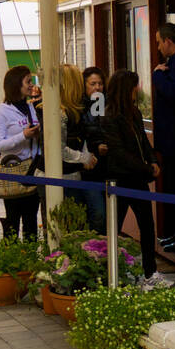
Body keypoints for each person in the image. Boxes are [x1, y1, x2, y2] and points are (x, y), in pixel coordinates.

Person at [103, 69, 165, 284]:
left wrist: (153, 160)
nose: (138, 89)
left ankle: (150, 272)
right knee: (113, 227)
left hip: (138, 178)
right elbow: (119, 153)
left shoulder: (135, 113)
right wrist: (146, 168)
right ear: (125, 89)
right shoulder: (110, 116)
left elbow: (144, 142)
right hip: (120, 179)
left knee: (147, 226)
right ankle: (109, 273)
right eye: (135, 86)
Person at [0, 65, 42, 239]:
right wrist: (23, 135)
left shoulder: (31, 107)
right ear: (16, 84)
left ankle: (30, 261)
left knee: (31, 221)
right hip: (13, 171)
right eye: (28, 81)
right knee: (12, 221)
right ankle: (11, 261)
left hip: (32, 171)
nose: (31, 85)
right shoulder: (2, 111)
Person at [151, 23, 175, 252]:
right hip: (170, 140)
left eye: (158, 42)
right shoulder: (173, 62)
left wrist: (157, 76)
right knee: (173, 188)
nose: (157, 46)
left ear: (168, 41)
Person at [57, 64, 98, 221]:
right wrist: (84, 158)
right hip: (62, 176)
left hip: (74, 174)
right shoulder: (60, 113)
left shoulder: (76, 108)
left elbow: (84, 136)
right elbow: (58, 149)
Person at [81, 66, 109, 232]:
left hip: (107, 168)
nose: (97, 87)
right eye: (93, 84)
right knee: (97, 213)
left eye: (100, 83)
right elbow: (84, 133)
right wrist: (97, 146)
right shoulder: (80, 107)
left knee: (108, 214)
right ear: (84, 86)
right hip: (89, 169)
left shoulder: (107, 105)